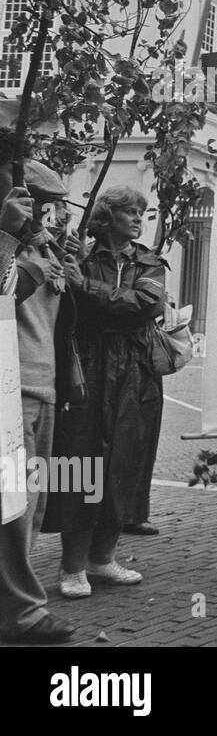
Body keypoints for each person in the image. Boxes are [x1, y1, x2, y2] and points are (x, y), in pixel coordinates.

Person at [42, 185, 164, 598]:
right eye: (130, 211)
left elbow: (144, 305)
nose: (137, 219)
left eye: (140, 214)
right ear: (107, 217)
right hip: (86, 369)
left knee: (124, 465)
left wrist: (87, 288)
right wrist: (70, 273)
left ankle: (102, 559)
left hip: (136, 374)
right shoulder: (79, 256)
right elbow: (65, 310)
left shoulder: (150, 262)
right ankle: (72, 566)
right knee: (78, 465)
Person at [0, 176, 76, 644]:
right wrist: (9, 237)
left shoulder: (44, 249)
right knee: (13, 506)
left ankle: (17, 602)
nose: (49, 216)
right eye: (41, 205)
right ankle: (23, 611)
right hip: (12, 390)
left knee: (29, 504)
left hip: (40, 387)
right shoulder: (13, 244)